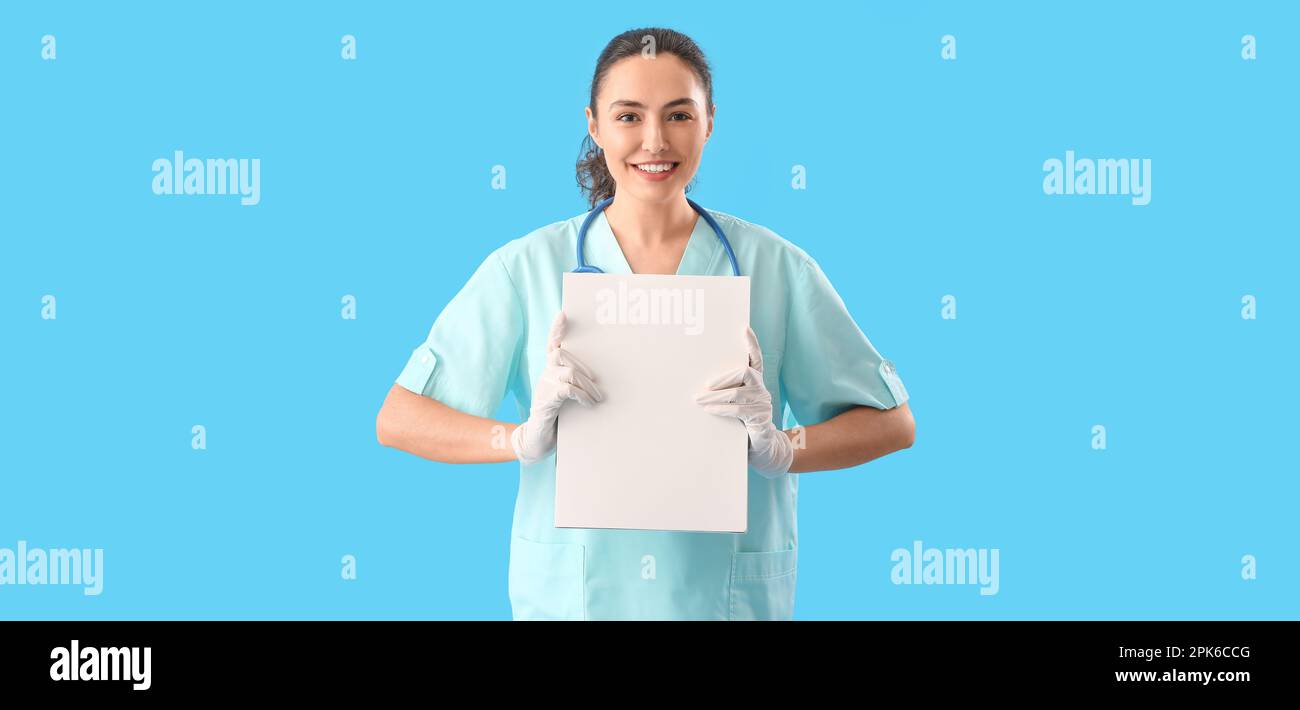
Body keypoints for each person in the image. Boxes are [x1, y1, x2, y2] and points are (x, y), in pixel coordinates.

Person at [376, 27, 915, 620]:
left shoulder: (777, 267)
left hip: (726, 600)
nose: (654, 141)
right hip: (577, 600)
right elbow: (400, 418)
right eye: (628, 116)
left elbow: (893, 424)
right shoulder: (525, 267)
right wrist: (520, 439)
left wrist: (782, 448)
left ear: (710, 120)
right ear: (594, 124)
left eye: (679, 114)